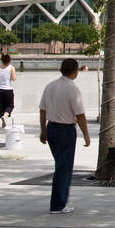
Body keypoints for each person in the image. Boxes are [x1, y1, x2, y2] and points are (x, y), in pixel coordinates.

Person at [38, 58, 92, 214]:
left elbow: (42, 110)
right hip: (66, 130)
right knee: (64, 168)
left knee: (60, 165)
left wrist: (43, 130)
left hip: (52, 128)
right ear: (75, 72)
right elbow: (80, 114)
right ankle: (58, 204)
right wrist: (86, 135)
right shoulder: (72, 89)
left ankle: (61, 201)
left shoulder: (50, 86)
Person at [0, 53, 18, 128]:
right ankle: (5, 116)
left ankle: (3, 121)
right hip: (8, 90)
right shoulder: (11, 68)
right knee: (10, 105)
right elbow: (13, 78)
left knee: (1, 106)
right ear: (9, 60)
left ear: (1, 60)